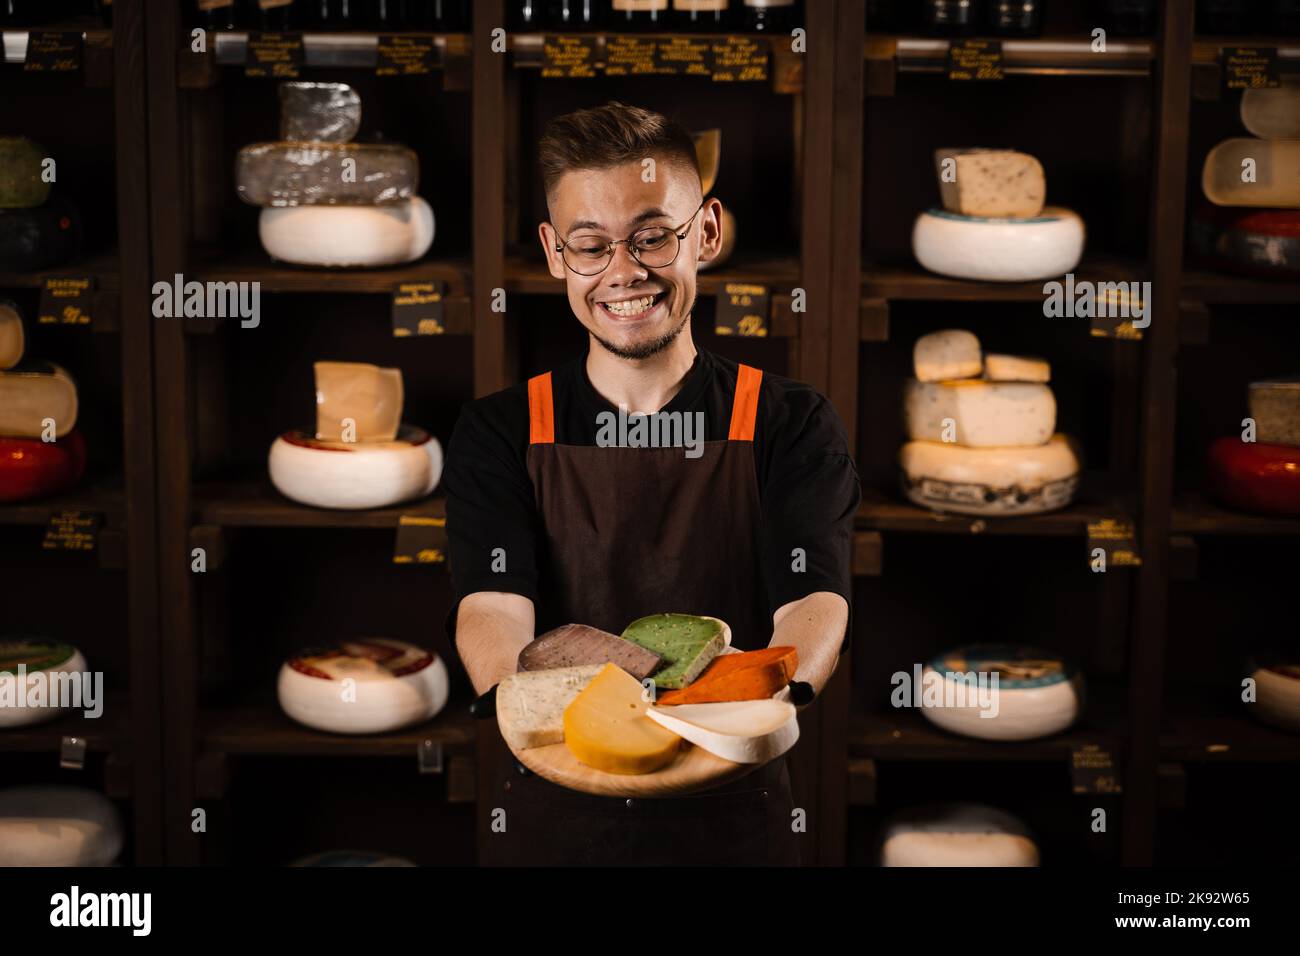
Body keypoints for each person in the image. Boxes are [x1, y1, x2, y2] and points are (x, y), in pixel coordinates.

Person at [444, 101, 860, 866]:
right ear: (553, 253)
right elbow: (494, 602)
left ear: (704, 233)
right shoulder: (501, 430)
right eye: (590, 246)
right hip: (554, 807)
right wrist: (527, 704)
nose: (623, 273)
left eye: (651, 237)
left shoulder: (788, 421)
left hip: (736, 810)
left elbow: (813, 596)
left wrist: (775, 700)